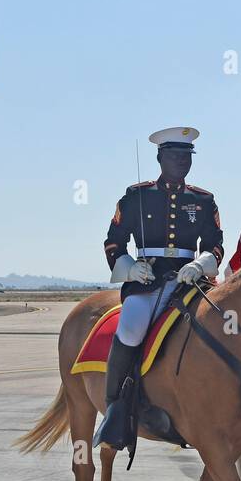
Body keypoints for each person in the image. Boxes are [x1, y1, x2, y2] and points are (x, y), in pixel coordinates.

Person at [95, 126, 223, 450]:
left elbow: (216, 246)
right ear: (160, 157)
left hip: (190, 281)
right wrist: (129, 266)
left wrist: (201, 263)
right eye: (175, 155)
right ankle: (116, 409)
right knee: (132, 327)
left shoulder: (204, 200)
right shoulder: (137, 195)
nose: (182, 161)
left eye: (187, 156)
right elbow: (113, 241)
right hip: (148, 282)